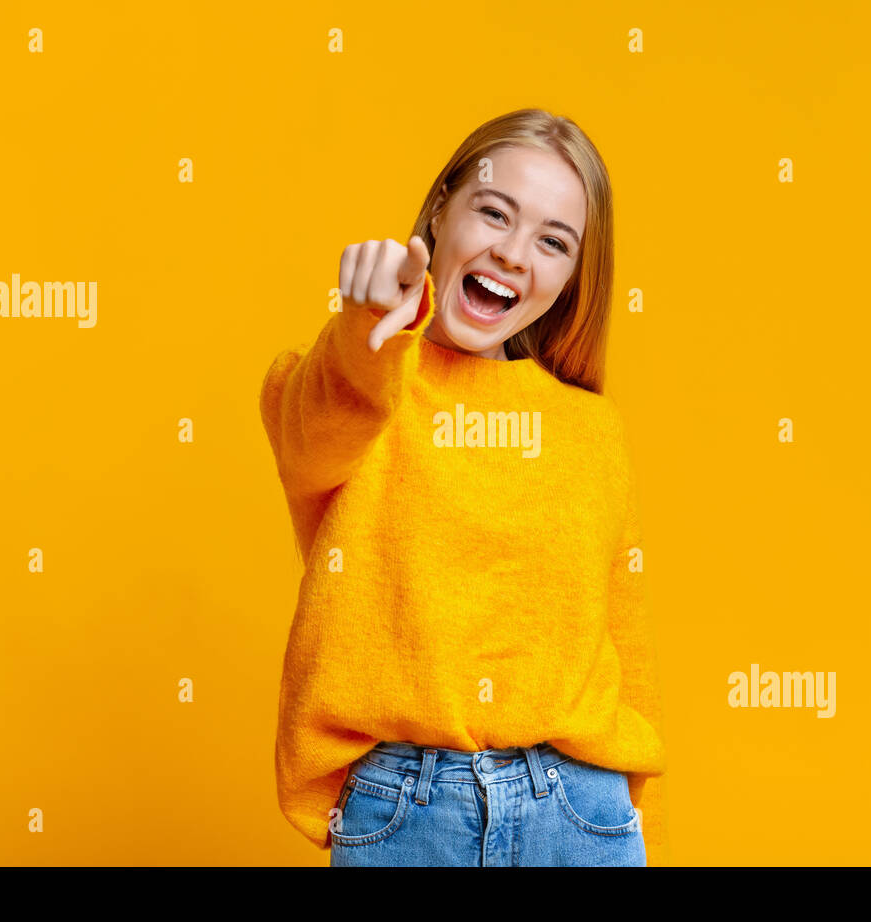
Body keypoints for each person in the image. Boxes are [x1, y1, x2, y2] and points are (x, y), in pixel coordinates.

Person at [259, 108, 668, 866]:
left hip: (580, 815)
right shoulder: (357, 385)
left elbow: (625, 644)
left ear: (573, 278)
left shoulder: (591, 431)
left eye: (553, 241)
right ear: (441, 210)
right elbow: (318, 432)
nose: (513, 253)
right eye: (494, 212)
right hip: (407, 816)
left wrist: (633, 817)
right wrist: (369, 324)